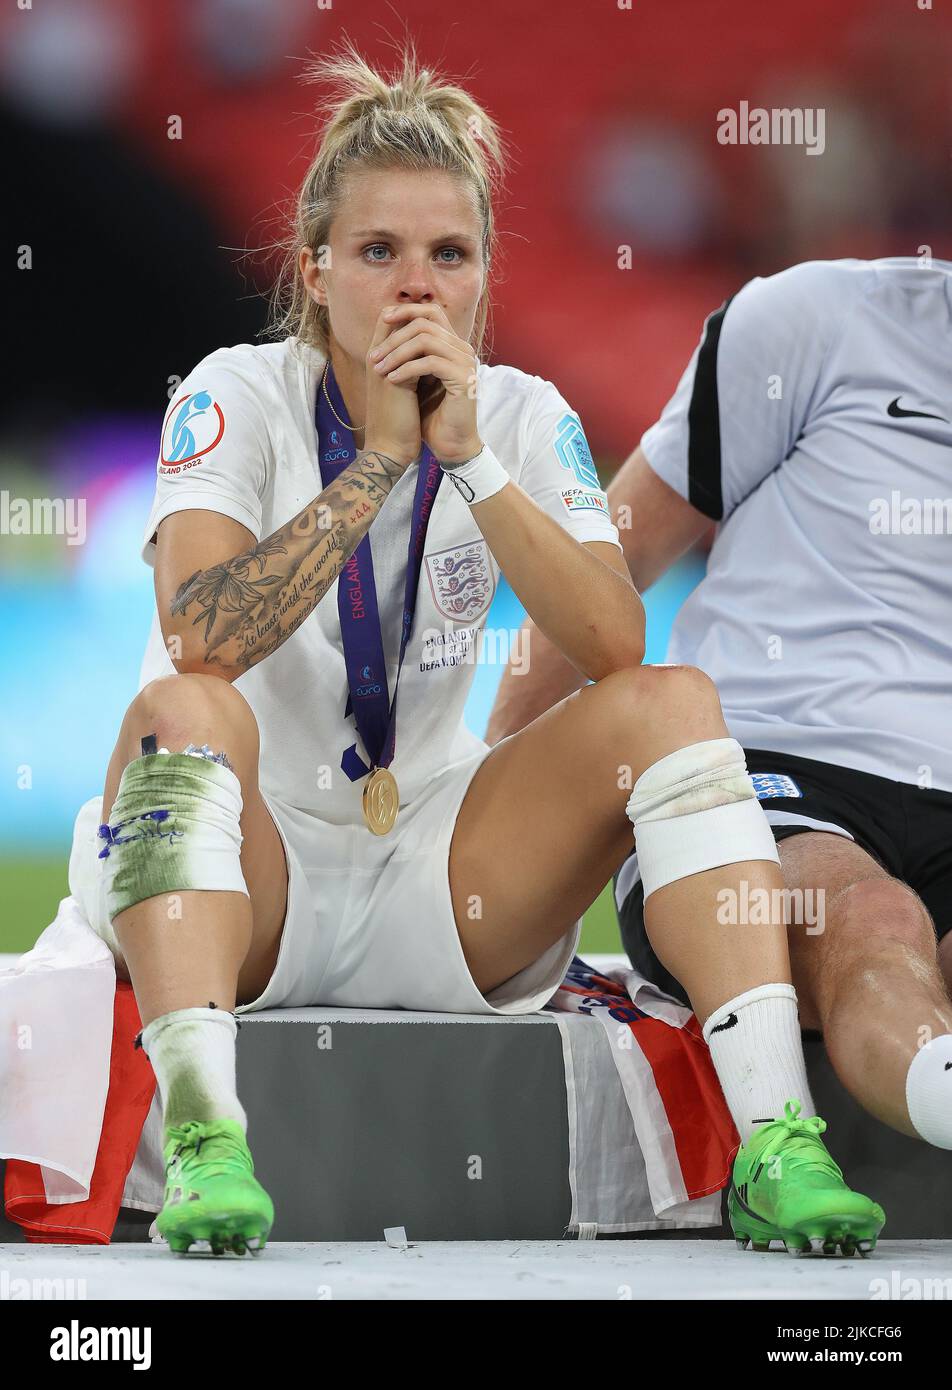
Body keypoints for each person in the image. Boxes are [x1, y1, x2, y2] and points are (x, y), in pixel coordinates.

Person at [72, 47, 879, 1257]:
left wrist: (470, 461)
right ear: (314, 268)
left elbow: (616, 642)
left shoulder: (521, 414)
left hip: (435, 881)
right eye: (378, 251)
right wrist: (379, 467)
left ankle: (777, 1139)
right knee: (186, 709)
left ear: (485, 275)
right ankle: (204, 1142)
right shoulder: (234, 391)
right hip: (251, 881)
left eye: (448, 255)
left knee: (672, 704)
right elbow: (200, 631)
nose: (415, 287)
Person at [488, 253, 952, 1212]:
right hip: (766, 772)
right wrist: (481, 794)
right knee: (871, 922)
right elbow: (604, 574)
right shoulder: (812, 319)